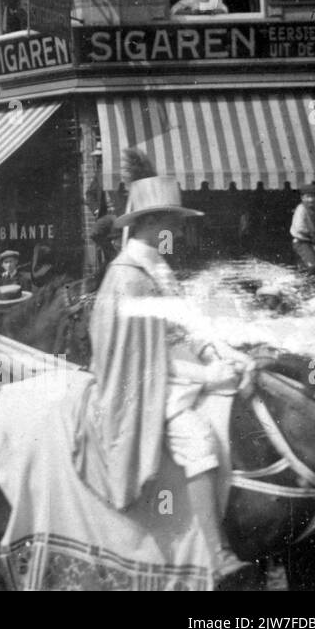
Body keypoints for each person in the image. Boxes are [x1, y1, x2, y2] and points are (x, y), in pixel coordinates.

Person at [72, 150, 249, 587]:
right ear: (152, 223)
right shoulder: (128, 277)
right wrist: (208, 375)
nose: (179, 228)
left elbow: (187, 326)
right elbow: (147, 360)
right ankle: (219, 553)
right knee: (200, 440)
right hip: (141, 386)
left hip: (174, 371)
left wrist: (224, 353)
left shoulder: (156, 263)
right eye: (173, 219)